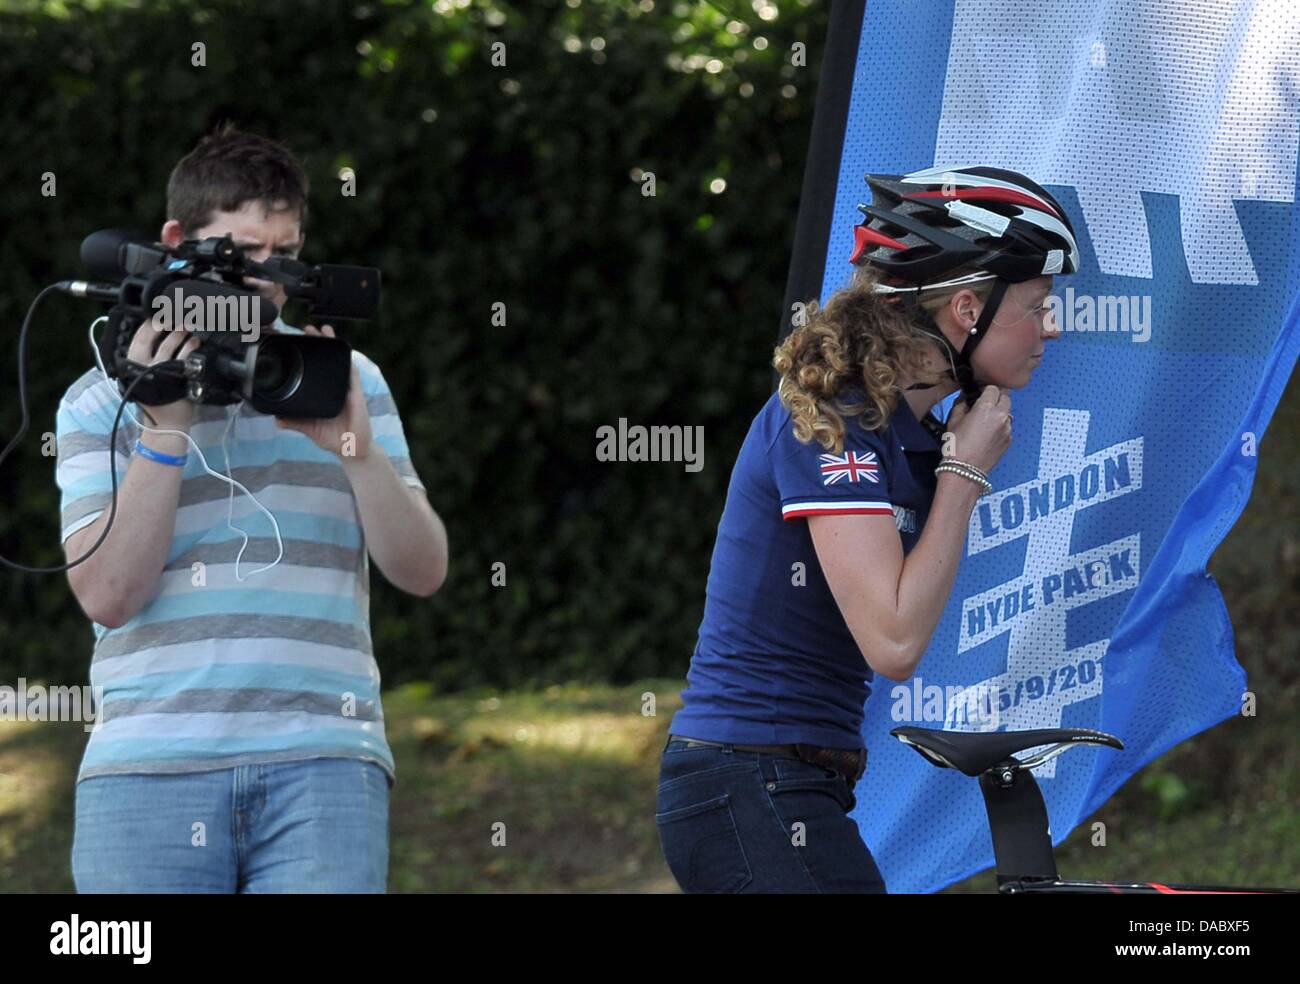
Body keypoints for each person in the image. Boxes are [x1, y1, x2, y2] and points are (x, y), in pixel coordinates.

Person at [655, 164, 1079, 893]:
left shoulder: (904, 430)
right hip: (748, 780)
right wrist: (963, 478)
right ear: (967, 308)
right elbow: (892, 640)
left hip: (784, 783)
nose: (1054, 325)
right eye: (1037, 303)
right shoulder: (833, 420)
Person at [54, 124, 449, 892]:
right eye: (242, 254)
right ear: (176, 241)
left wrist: (356, 452)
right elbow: (107, 595)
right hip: (147, 767)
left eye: (285, 254)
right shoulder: (99, 399)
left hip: (325, 760)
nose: (268, 279)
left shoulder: (343, 378)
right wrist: (166, 427)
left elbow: (423, 570)